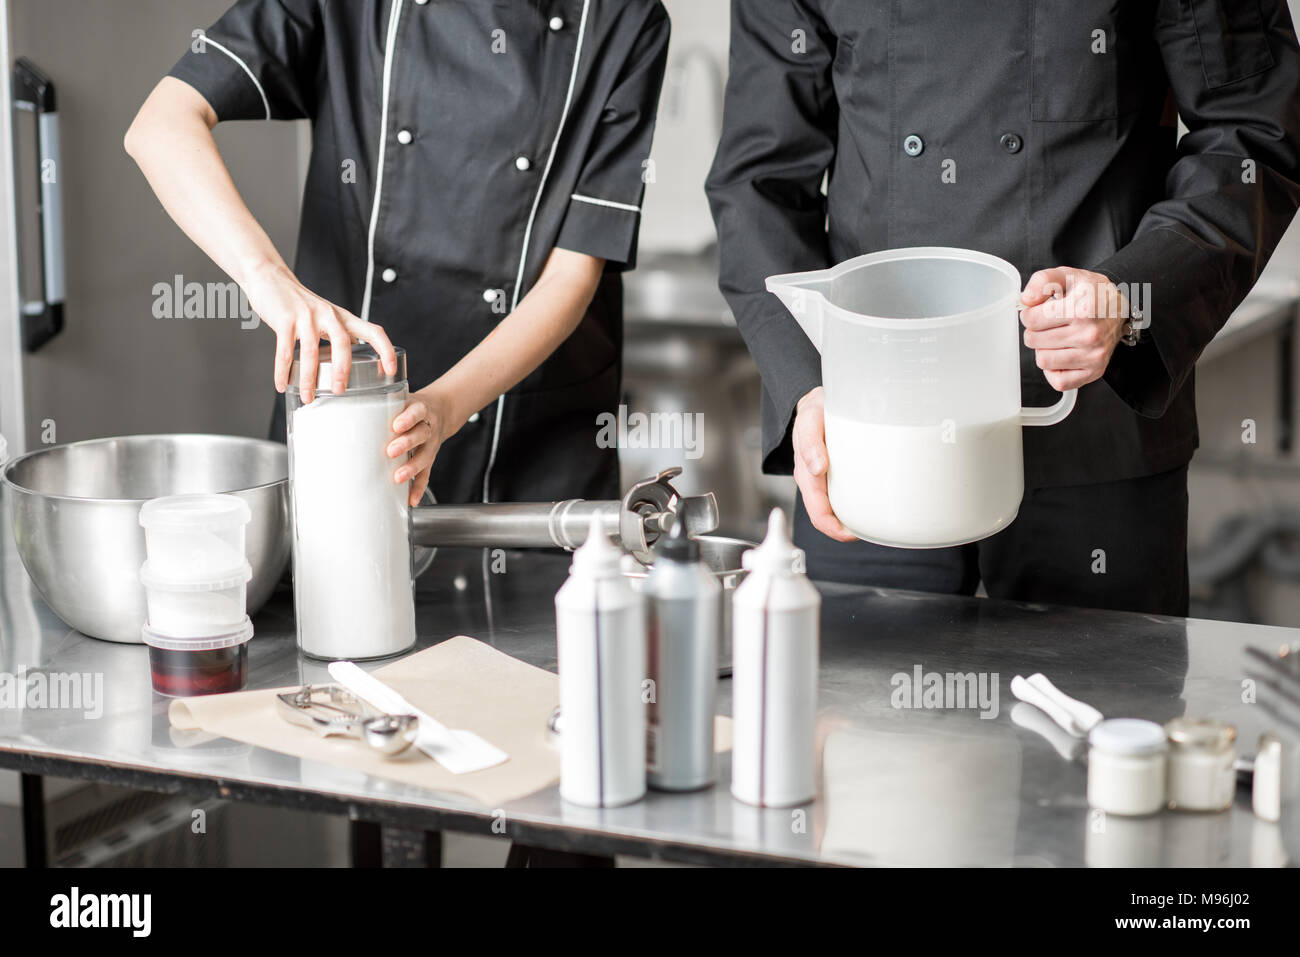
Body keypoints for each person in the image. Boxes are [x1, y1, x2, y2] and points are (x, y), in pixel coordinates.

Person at [706, 1, 1300, 615]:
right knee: (857, 699)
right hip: (873, 437)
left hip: (1093, 427)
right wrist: (807, 385)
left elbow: (1252, 133)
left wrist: (1130, 294)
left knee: (1106, 701)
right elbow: (757, 183)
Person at [127, 0, 670, 507]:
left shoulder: (626, 16)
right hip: (347, 422)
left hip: (531, 455)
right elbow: (161, 122)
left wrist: (445, 407)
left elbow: (571, 276)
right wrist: (268, 279)